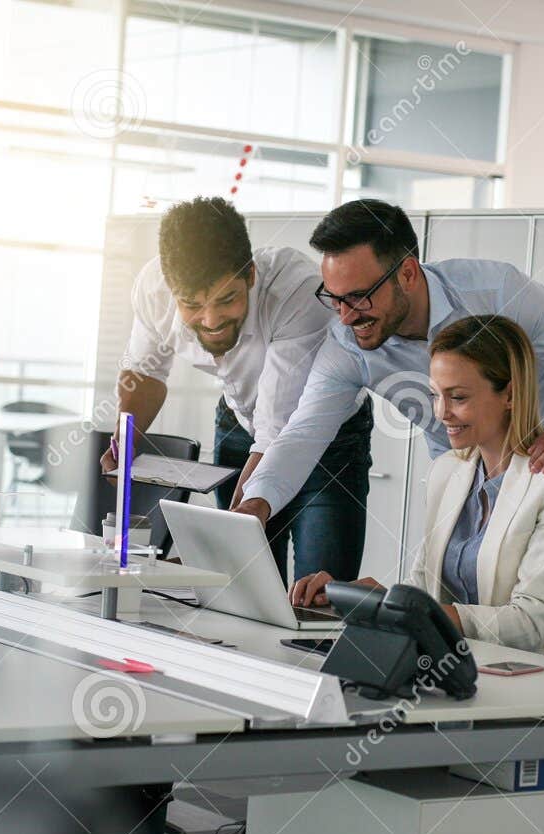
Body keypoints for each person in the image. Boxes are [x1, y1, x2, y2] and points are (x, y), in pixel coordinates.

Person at [234, 198, 544, 549]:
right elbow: (304, 432)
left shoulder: (497, 292)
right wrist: (257, 502)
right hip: (459, 478)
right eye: (334, 298)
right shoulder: (346, 342)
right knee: (452, 595)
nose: (346, 315)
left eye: (358, 297)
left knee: (534, 612)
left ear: (407, 273)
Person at [290, 314, 544, 667]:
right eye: (435, 395)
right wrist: (373, 597)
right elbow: (425, 587)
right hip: (462, 663)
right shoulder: (448, 471)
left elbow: (530, 623)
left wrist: (406, 609)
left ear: (511, 395)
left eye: (457, 397)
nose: (442, 413)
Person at [109, 196, 372, 581]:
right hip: (237, 424)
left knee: (318, 592)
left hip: (328, 441)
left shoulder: (298, 291)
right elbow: (144, 373)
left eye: (227, 299)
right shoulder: (154, 288)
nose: (211, 319)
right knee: (244, 581)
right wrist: (125, 438)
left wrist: (242, 516)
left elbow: (277, 428)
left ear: (250, 274)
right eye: (192, 305)